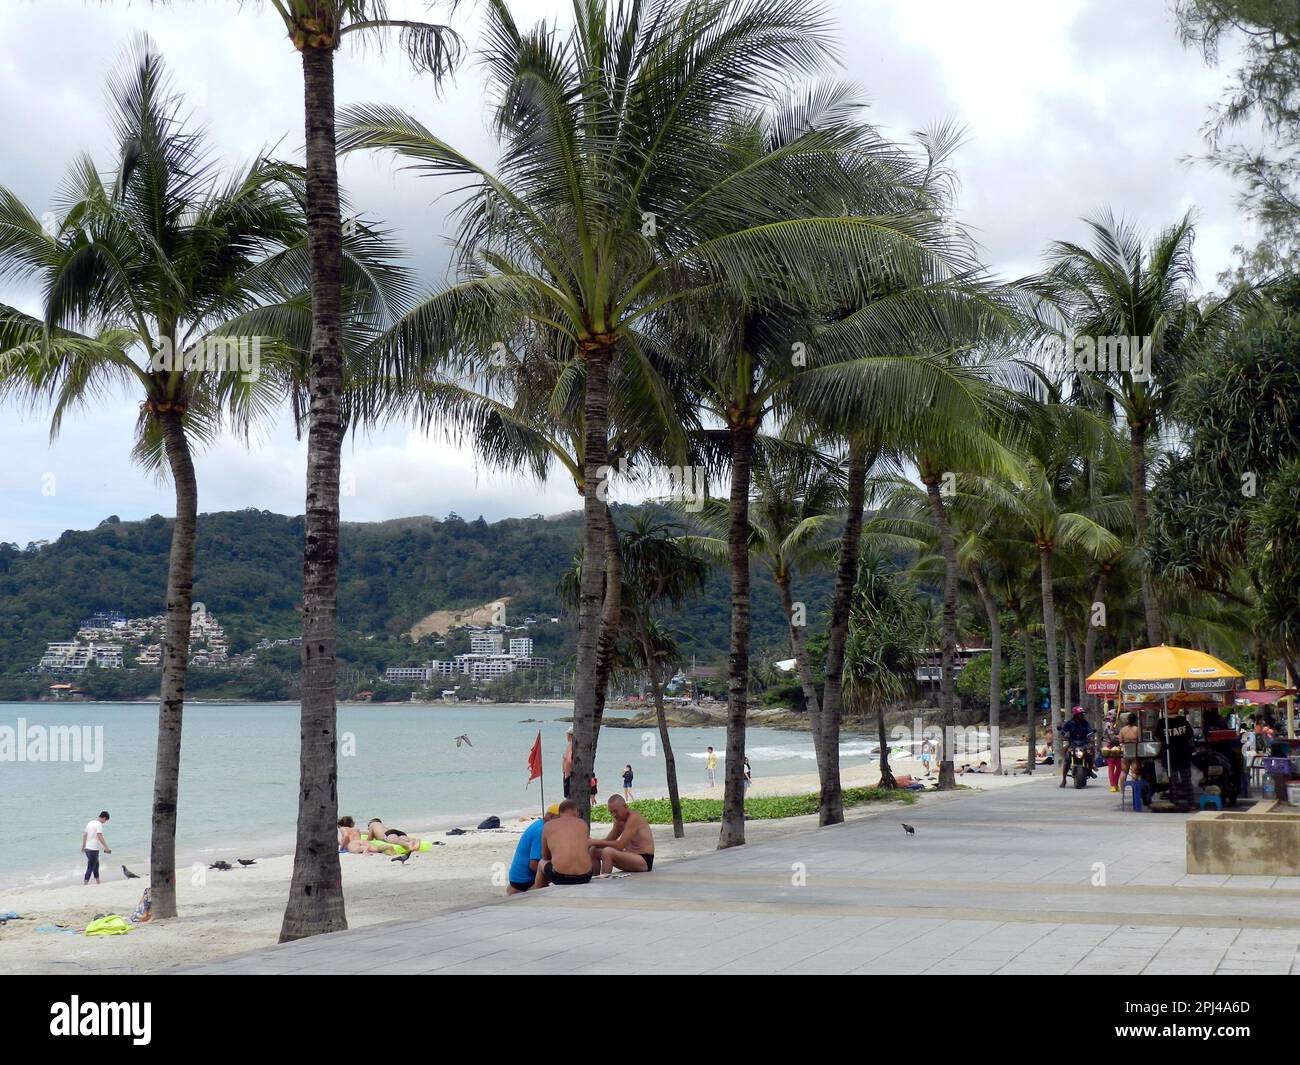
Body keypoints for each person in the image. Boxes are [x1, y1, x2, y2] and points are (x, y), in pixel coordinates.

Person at [590, 795, 655, 874]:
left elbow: (620, 845)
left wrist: (593, 841)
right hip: (629, 856)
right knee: (594, 850)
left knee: (608, 852)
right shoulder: (619, 820)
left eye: (616, 811)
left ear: (625, 807)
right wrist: (592, 844)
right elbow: (609, 840)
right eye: (611, 812)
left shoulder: (634, 818)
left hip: (644, 860)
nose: (614, 815)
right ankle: (594, 877)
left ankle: (605, 881)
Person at [535, 799, 593, 887]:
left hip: (560, 877)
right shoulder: (583, 824)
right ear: (575, 811)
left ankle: (538, 895)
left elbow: (545, 856)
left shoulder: (548, 825)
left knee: (541, 863)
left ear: (560, 813)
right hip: (585, 876)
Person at [507, 805, 558, 895]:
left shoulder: (540, 823)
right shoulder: (541, 831)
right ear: (551, 817)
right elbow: (534, 864)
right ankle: (528, 891)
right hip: (524, 880)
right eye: (559, 820)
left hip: (516, 876)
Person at [1161, 708, 1195, 811]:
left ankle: (1174, 803)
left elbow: (1157, 736)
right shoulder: (1183, 721)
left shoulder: (1162, 722)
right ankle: (1191, 804)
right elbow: (1190, 735)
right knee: (1186, 781)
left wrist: (1167, 741)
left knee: (1173, 782)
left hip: (1169, 755)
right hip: (1184, 754)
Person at [1059, 707, 1096, 788]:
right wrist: (1062, 736)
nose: (1082, 716)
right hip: (1073, 743)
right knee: (1066, 760)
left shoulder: (1086, 723)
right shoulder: (1069, 723)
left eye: (1083, 714)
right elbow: (1063, 731)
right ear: (1076, 715)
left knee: (1091, 751)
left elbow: (1090, 732)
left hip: (1084, 743)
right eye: (1080, 714)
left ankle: (1091, 768)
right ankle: (1064, 780)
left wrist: (1091, 737)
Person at [81, 811, 110, 885]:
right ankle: (85, 882)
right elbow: (99, 836)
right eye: (105, 820)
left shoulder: (90, 822)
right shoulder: (99, 824)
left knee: (96, 864)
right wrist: (106, 847)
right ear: (104, 818)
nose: (105, 822)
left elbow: (85, 835)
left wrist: (83, 846)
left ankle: (98, 881)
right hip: (93, 849)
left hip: (87, 848)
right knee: (91, 866)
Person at [1117, 712, 1142, 794]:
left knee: (1124, 771)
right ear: (1135, 720)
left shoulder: (1123, 730)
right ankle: (1134, 788)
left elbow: (1120, 740)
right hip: (1134, 751)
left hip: (1125, 751)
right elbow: (1140, 740)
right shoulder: (1137, 729)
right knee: (1134, 771)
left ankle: (1122, 790)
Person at [562, 729, 574, 799]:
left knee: (569, 797)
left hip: (568, 776)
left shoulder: (571, 745)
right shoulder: (571, 745)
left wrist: (567, 774)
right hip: (568, 775)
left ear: (569, 735)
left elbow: (569, 760)